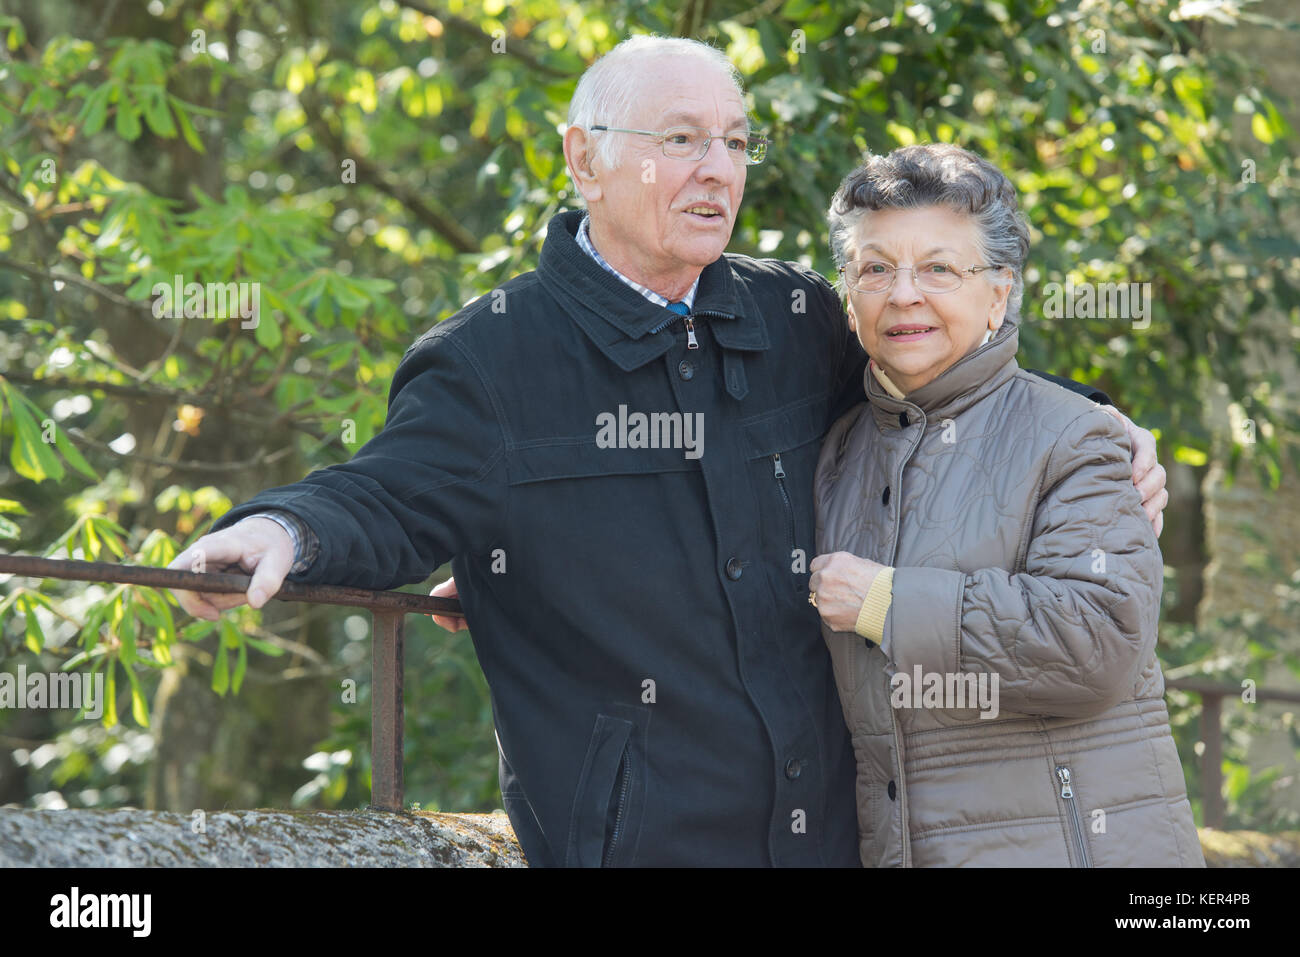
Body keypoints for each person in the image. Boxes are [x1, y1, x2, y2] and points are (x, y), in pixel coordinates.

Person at [166, 37, 1168, 867]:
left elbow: (923, 385)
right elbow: (390, 493)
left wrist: (1094, 427)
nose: (717, 169)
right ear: (582, 160)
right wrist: (282, 527)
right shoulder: (493, 359)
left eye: (734, 141)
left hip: (834, 838)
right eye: (680, 140)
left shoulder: (790, 314)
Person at [808, 143, 1203, 867]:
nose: (903, 294)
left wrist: (887, 602)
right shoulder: (836, 456)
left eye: (939, 269)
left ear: (999, 291)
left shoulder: (1073, 436)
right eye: (874, 268)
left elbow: (1101, 639)